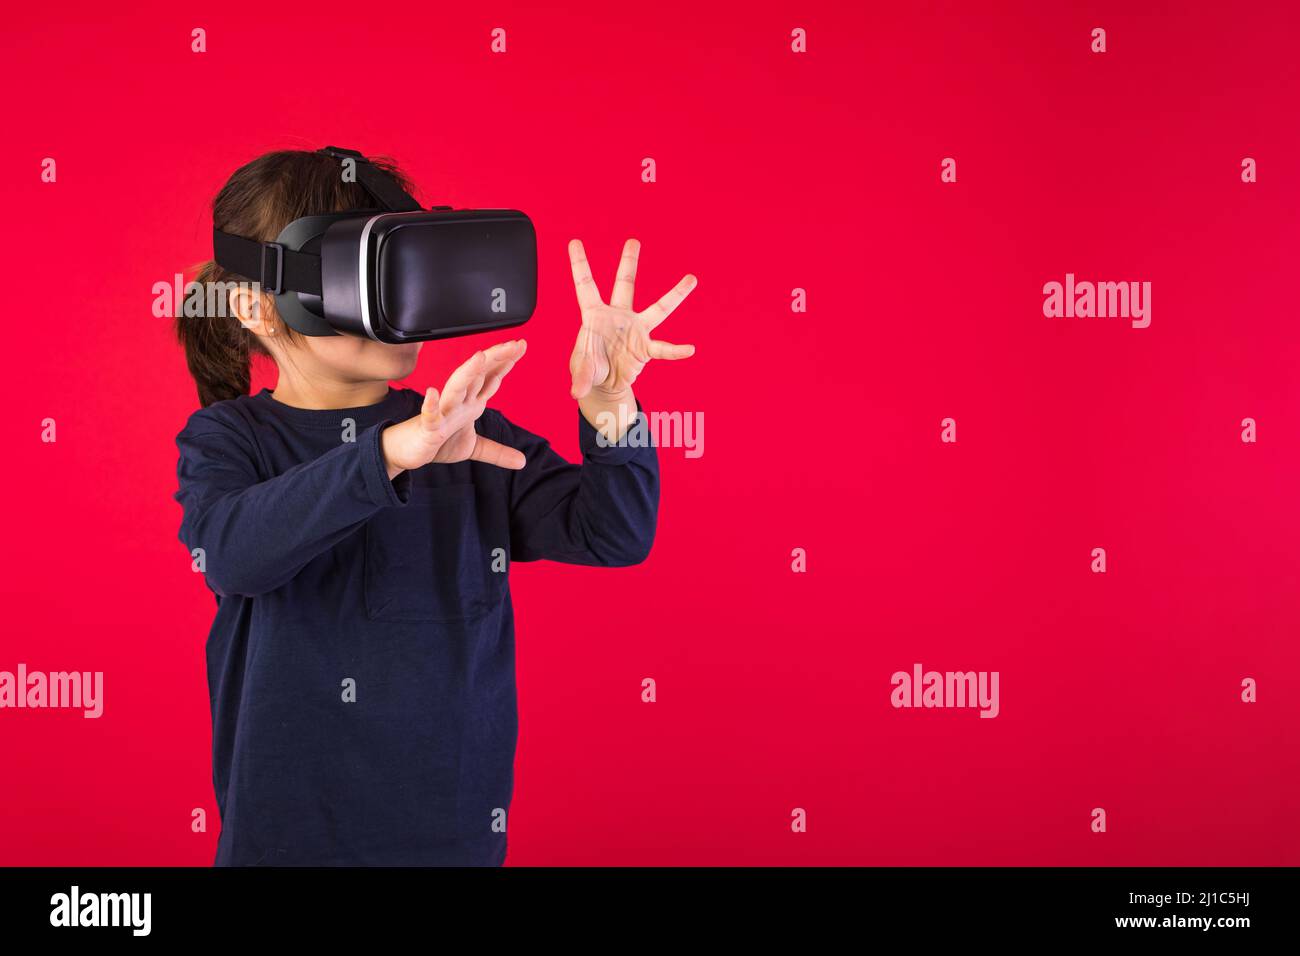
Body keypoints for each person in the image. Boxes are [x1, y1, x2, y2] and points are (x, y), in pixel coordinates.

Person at [172, 148, 697, 865]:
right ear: (258, 307)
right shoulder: (231, 438)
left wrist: (610, 406)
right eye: (359, 277)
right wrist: (387, 455)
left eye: (401, 269)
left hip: (451, 843)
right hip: (285, 843)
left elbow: (615, 533)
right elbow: (233, 556)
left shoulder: (469, 435)